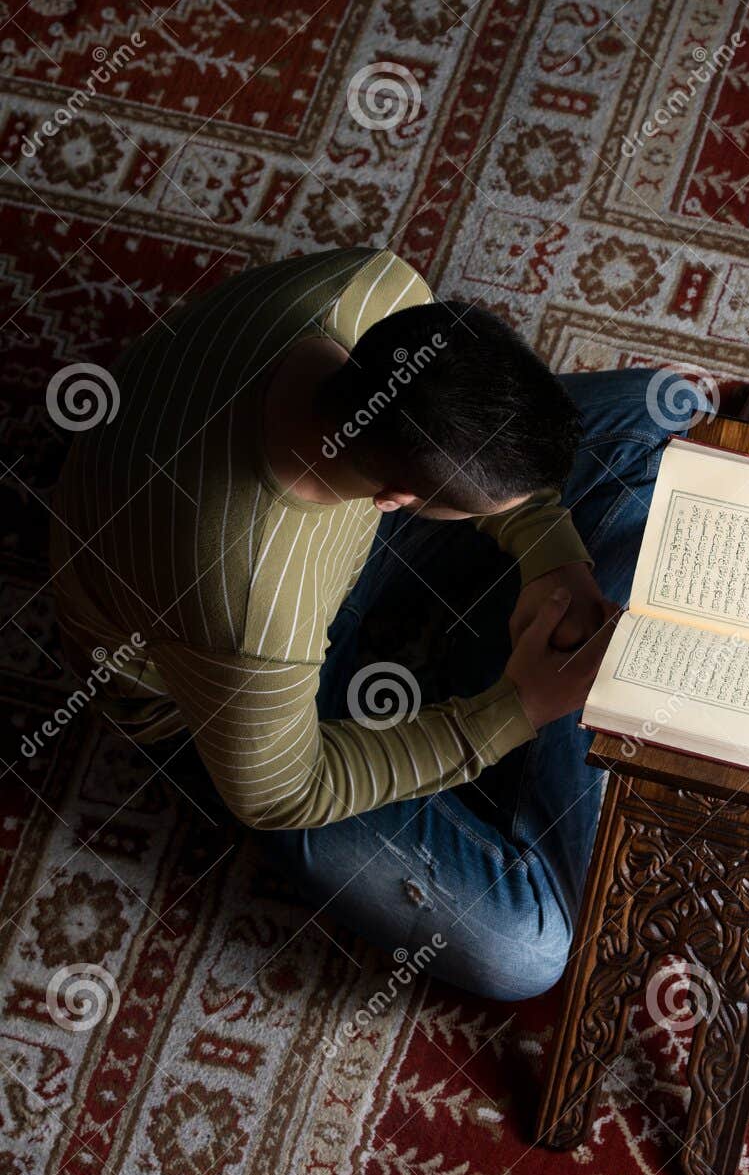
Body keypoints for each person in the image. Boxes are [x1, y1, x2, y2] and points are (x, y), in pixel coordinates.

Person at [51, 246, 690, 998]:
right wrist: (514, 713)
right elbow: (280, 792)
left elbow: (497, 455)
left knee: (657, 405)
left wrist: (558, 560)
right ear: (395, 497)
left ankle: (524, 669)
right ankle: (540, 704)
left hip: (308, 532)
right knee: (525, 948)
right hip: (234, 695)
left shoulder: (375, 293)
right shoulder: (245, 607)